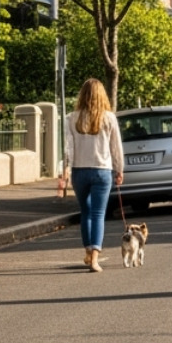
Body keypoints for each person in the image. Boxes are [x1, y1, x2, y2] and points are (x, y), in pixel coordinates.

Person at [61, 78, 124, 273]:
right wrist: (119, 169)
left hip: (80, 171)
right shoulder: (109, 118)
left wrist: (66, 167)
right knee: (98, 214)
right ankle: (95, 258)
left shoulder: (71, 118)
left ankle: (88, 252)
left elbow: (68, 147)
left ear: (82, 95)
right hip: (102, 171)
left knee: (85, 212)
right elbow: (116, 147)